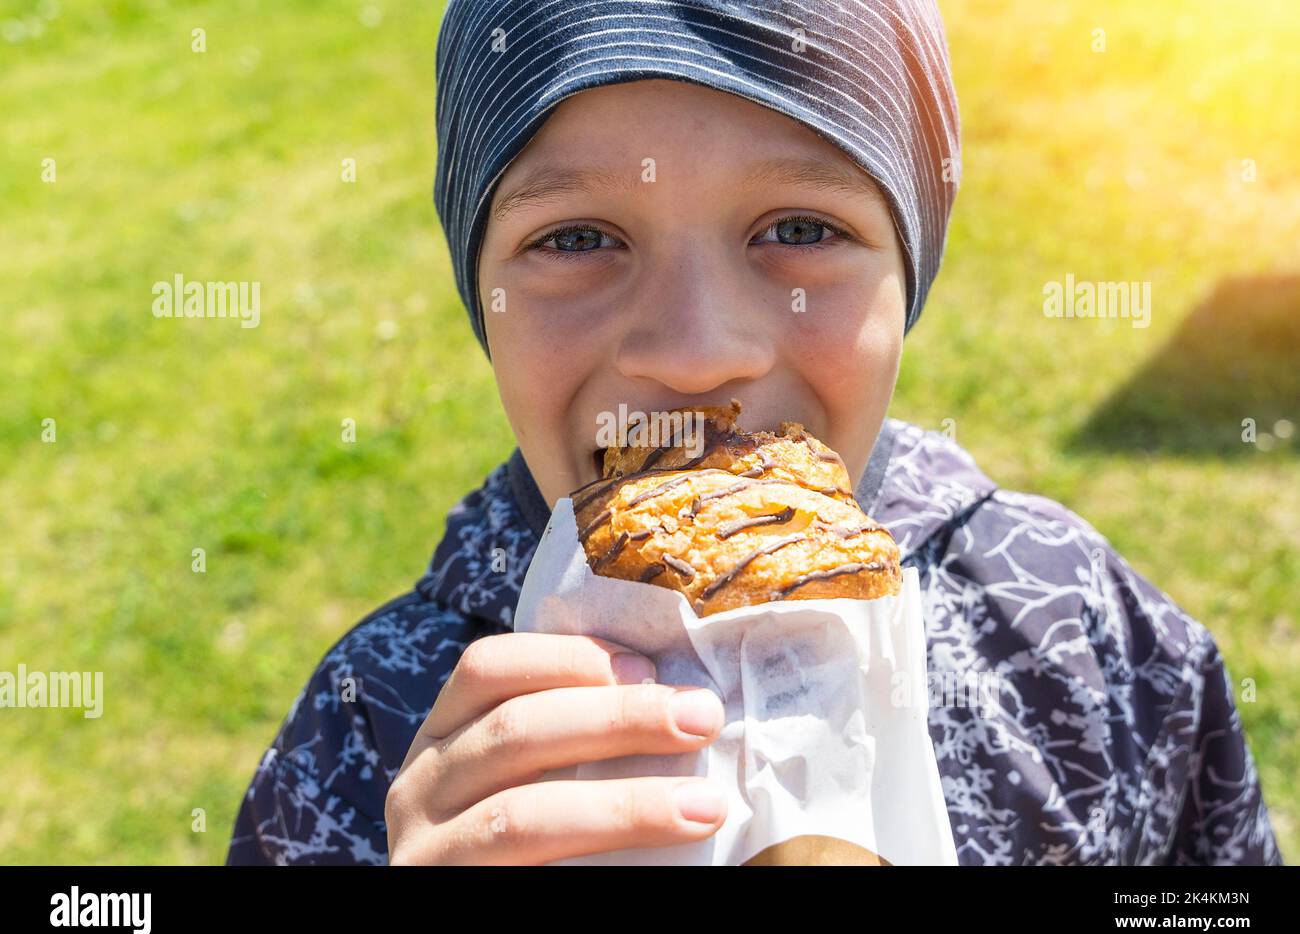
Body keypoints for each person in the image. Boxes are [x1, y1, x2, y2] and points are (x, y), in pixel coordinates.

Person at [226, 0, 1283, 865]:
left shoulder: (1079, 636)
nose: (695, 350)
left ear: (906, 270)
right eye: (578, 237)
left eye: (798, 229)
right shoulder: (369, 739)